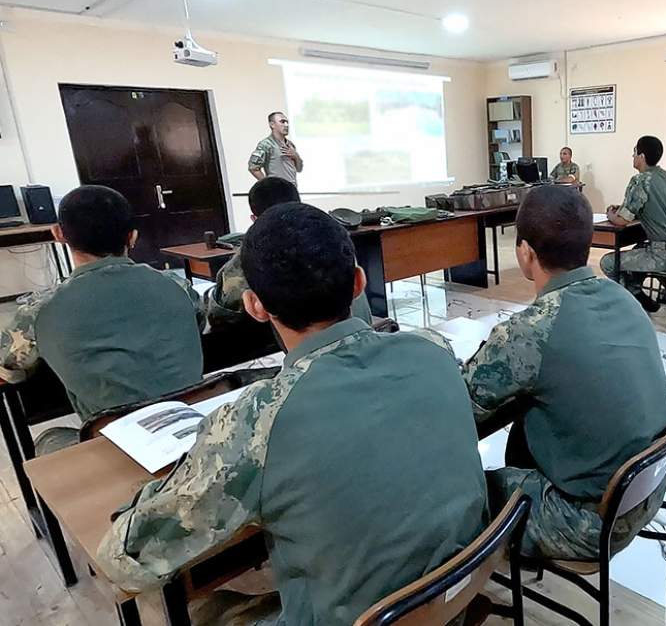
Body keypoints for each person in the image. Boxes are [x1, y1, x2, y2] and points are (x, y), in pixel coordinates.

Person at [96, 204, 489, 626]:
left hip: (363, 617)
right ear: (358, 282)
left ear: (254, 305)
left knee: (205, 608)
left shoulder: (253, 423)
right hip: (452, 598)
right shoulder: (434, 350)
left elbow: (123, 560)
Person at [462, 185, 666, 560]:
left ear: (526, 253)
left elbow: (461, 406)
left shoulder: (531, 330)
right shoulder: (623, 298)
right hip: (647, 489)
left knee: (458, 492)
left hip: (591, 521)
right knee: (527, 427)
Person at [0, 186, 204, 454]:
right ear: (132, 237)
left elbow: (11, 370)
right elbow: (198, 322)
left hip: (121, 443)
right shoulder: (178, 286)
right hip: (195, 428)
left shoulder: (37, 312)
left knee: (50, 438)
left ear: (59, 234)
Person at [206, 177, 373, 329]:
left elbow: (219, 315)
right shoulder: (331, 240)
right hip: (357, 333)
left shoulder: (249, 258)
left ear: (255, 220)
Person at [600, 135, 666, 312]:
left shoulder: (640, 180)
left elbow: (621, 220)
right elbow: (651, 204)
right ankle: (637, 295)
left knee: (608, 262)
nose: (632, 157)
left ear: (641, 156)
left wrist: (610, 213)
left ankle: (633, 297)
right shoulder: (665, 176)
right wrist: (624, 207)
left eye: (634, 152)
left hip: (663, 255)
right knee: (637, 249)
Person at [248, 112, 303, 185]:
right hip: (277, 189)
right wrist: (268, 184)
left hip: (292, 188)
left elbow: (299, 169)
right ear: (272, 125)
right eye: (282, 122)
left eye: (287, 122)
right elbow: (253, 167)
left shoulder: (290, 145)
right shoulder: (266, 145)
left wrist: (295, 156)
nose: (286, 125)